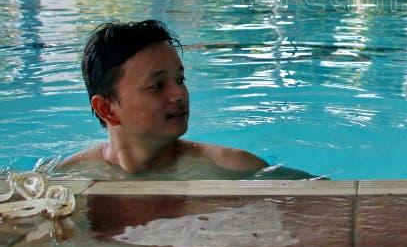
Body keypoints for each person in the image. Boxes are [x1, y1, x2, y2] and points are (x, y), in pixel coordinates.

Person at [57, 20, 268, 175]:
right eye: (157, 86)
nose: (180, 94)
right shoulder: (69, 180)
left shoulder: (237, 169)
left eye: (180, 79)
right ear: (107, 109)